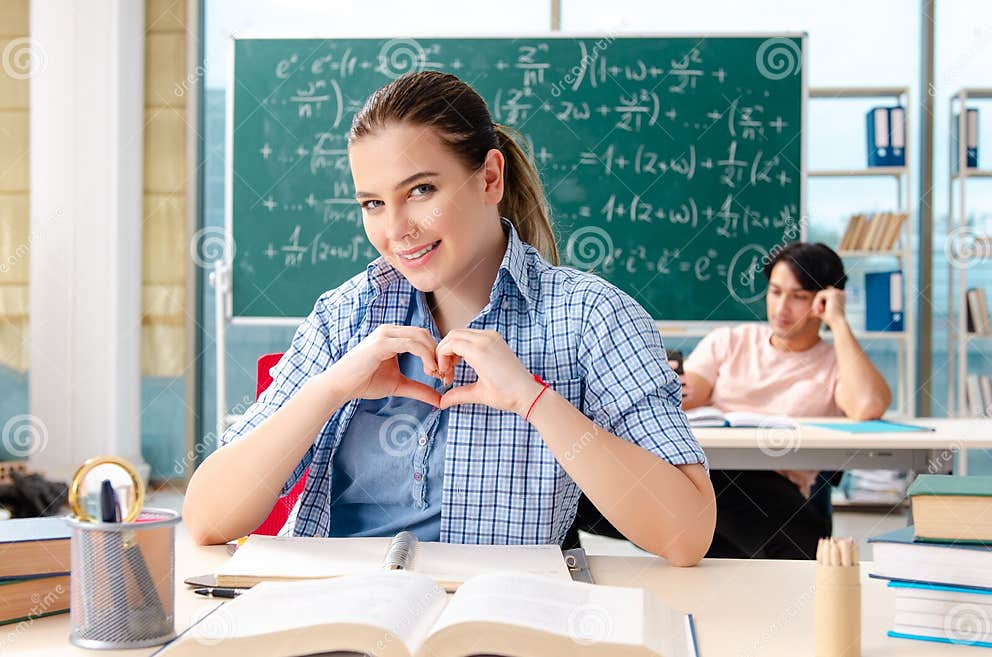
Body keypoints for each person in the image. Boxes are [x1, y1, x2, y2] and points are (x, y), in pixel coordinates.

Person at [183, 71, 715, 566]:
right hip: (339, 615)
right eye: (372, 203)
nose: (396, 229)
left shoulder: (592, 316)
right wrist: (332, 389)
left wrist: (534, 400)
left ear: (488, 178)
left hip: (493, 621)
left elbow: (686, 535)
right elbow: (207, 520)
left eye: (420, 191)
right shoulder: (343, 317)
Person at [680, 242, 892, 559]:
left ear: (823, 300)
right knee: (589, 492)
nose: (781, 308)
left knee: (793, 540)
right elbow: (687, 396)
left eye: (798, 297)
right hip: (711, 472)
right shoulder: (730, 341)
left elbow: (868, 406)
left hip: (776, 491)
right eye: (776, 292)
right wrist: (667, 381)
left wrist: (838, 322)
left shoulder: (837, 362)